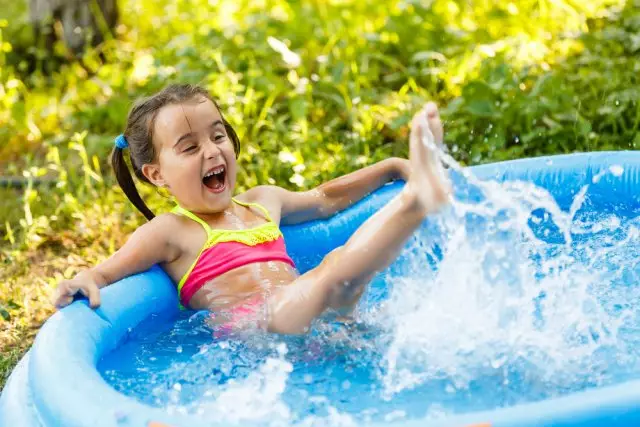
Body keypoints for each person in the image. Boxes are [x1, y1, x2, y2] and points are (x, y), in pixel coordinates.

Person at [52, 84, 450, 335]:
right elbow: (108, 269)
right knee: (329, 275)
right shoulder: (171, 231)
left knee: (336, 270)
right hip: (263, 327)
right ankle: (415, 203)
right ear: (156, 174)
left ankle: (413, 195)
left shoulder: (263, 202)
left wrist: (393, 167)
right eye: (190, 147)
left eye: (218, 135)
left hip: (306, 313)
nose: (211, 150)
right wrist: (84, 280)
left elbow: (326, 198)